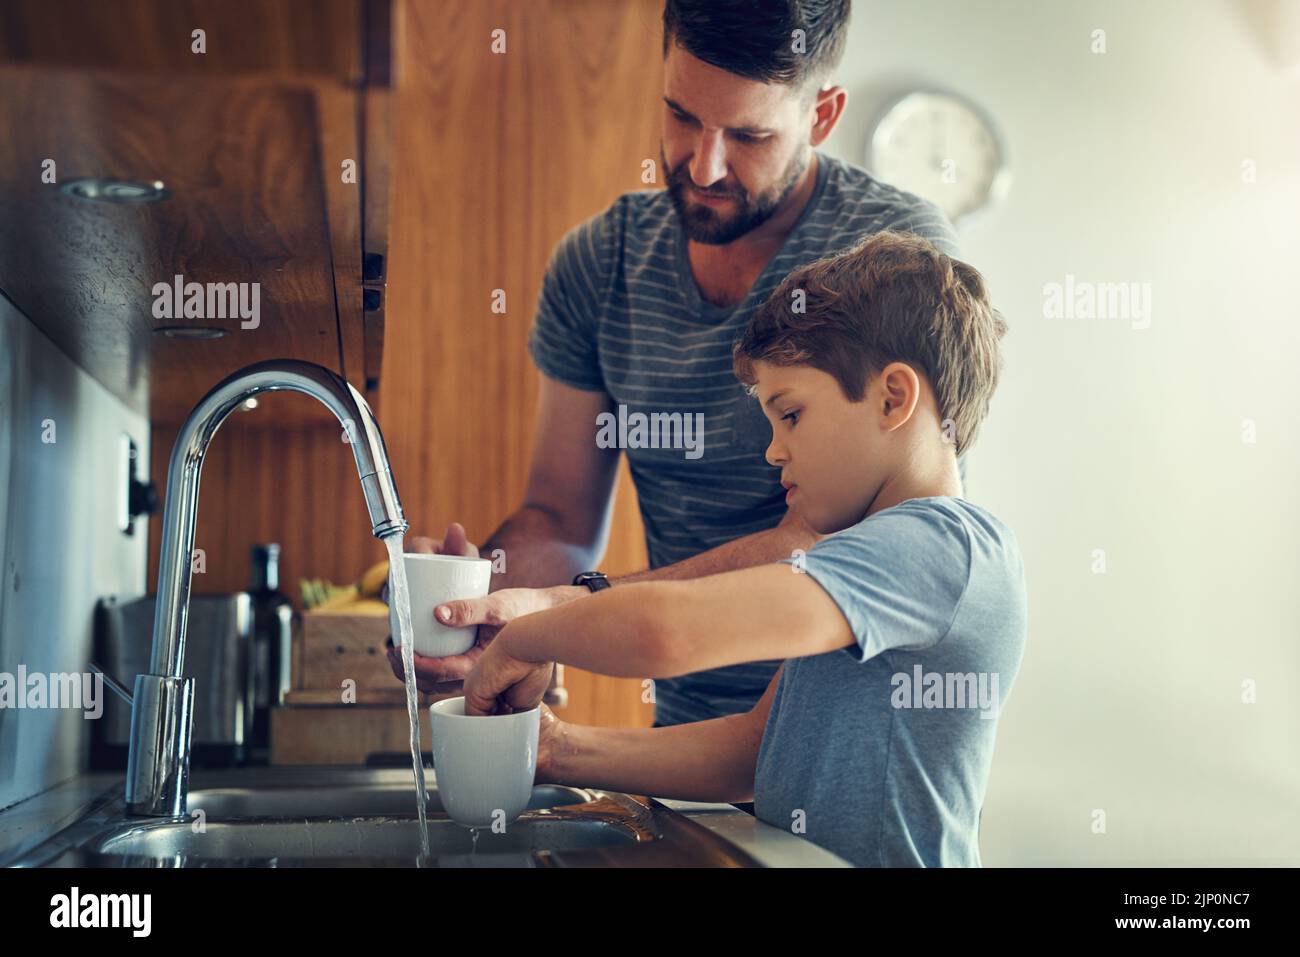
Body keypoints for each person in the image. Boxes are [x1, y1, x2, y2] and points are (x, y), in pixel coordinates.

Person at [389, 0, 964, 732]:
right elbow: (561, 515)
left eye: (749, 135)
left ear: (823, 114)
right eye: (682, 115)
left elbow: (826, 540)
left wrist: (564, 612)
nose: (704, 164)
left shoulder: (895, 254)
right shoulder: (599, 262)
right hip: (682, 750)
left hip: (849, 751)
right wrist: (474, 604)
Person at [455, 232, 1027, 867]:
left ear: (893, 397)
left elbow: (670, 633)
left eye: (791, 414)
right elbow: (754, 753)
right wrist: (556, 750)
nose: (773, 450)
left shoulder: (942, 546)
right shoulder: (864, 563)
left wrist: (529, 634)